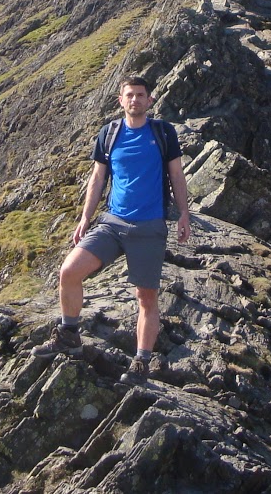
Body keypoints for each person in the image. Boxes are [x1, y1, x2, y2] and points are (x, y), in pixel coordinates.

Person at [32, 75, 191, 384]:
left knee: (146, 298)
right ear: (121, 100)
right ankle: (69, 334)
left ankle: (141, 362)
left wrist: (184, 214)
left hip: (149, 226)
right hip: (112, 223)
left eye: (140, 95)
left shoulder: (163, 133)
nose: (135, 100)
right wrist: (85, 218)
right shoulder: (109, 133)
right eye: (129, 95)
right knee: (69, 272)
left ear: (149, 100)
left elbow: (176, 174)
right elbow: (97, 178)